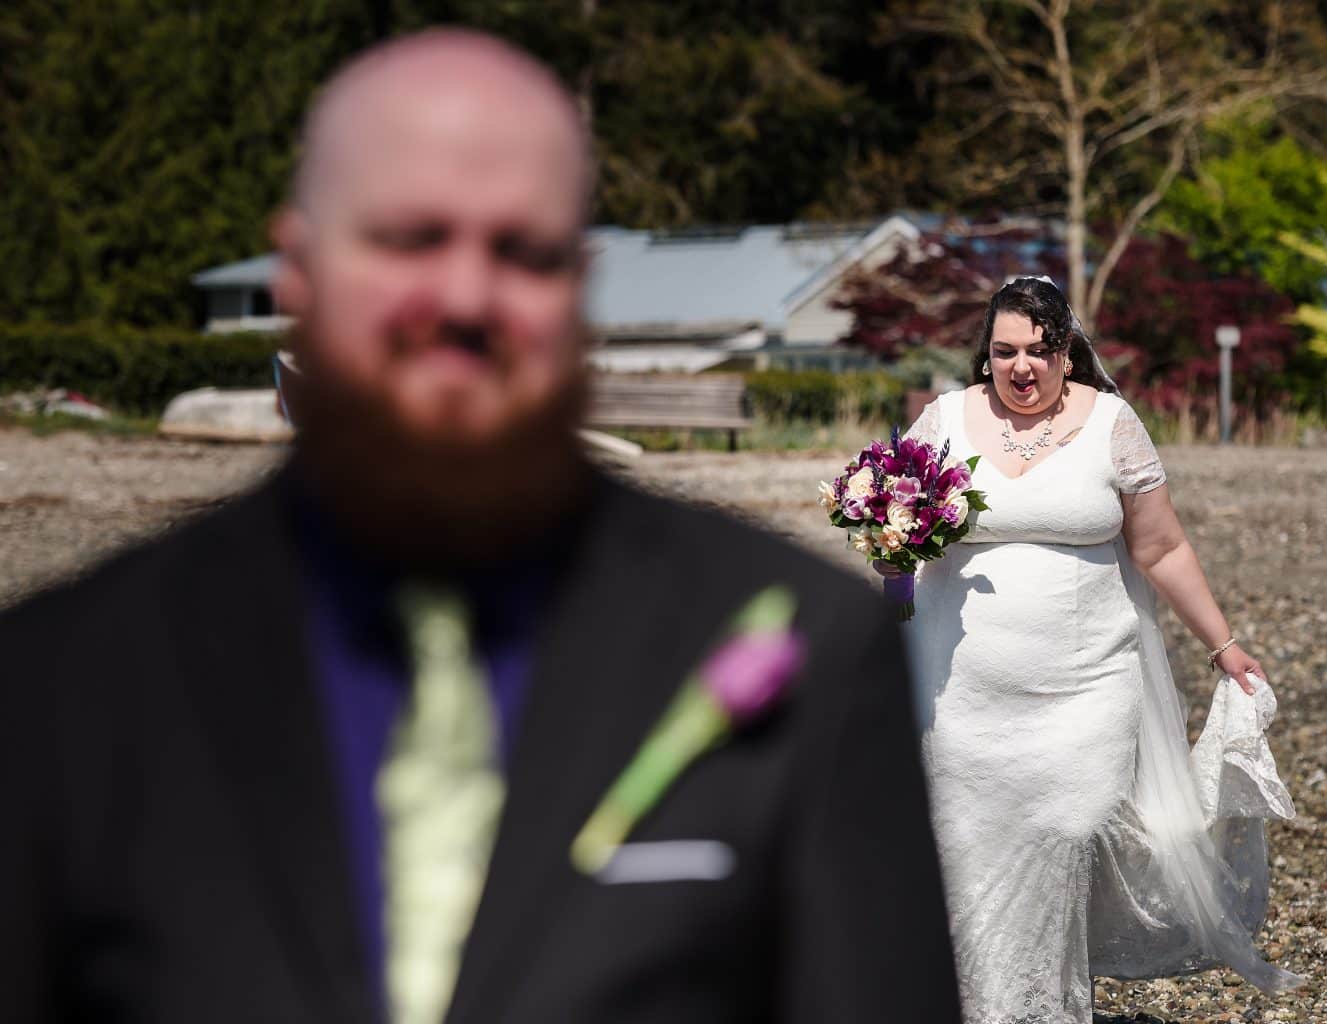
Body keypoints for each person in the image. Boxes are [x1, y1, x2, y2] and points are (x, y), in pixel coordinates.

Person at [0, 30, 962, 1024]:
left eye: (523, 253)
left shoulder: (814, 653)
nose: (464, 298)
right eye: (410, 239)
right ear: (297, 268)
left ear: (581, 284)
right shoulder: (61, 683)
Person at [898, 276, 1302, 1022]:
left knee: (1069, 829)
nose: (1023, 367)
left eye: (1040, 350)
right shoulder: (943, 421)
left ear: (1067, 350)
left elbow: (1161, 546)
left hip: (1087, 687)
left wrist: (1223, 644)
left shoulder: (1111, 422)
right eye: (1005, 352)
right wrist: (886, 547)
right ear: (986, 354)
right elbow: (897, 539)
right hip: (960, 693)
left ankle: (1040, 1005)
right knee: (967, 846)